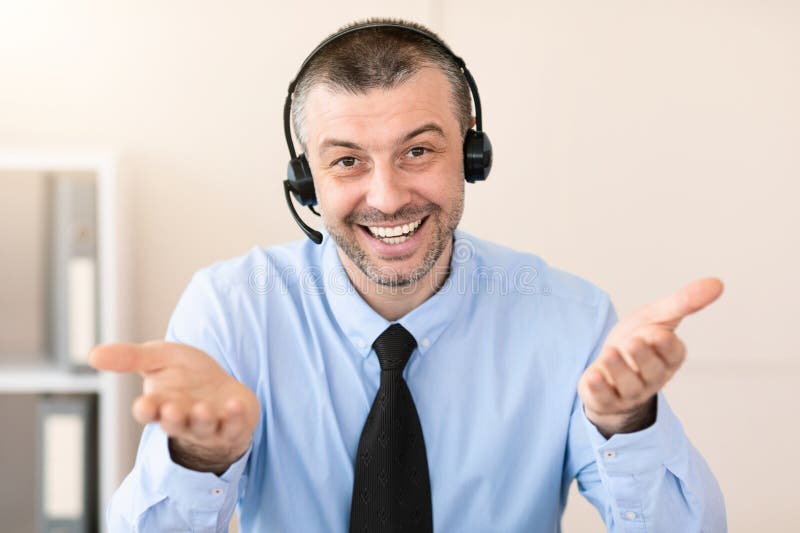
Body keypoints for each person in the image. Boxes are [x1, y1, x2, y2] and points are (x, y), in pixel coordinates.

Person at [91, 18, 727, 532]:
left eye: (418, 151)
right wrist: (199, 460)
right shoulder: (234, 309)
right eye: (346, 161)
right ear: (306, 180)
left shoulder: (569, 317)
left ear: (472, 154)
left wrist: (628, 424)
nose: (388, 196)